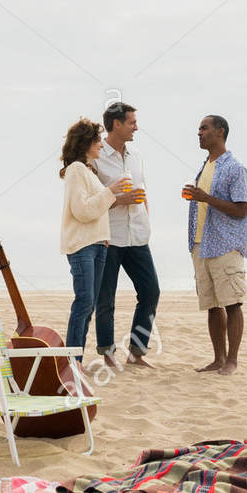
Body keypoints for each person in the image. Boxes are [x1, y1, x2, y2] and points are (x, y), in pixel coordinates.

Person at [59, 117, 138, 365]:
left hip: (96, 245)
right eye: (97, 141)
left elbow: (94, 210)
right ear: (86, 143)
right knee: (83, 304)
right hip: (83, 246)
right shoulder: (76, 171)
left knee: (88, 306)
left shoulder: (88, 171)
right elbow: (81, 210)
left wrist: (104, 237)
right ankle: (73, 363)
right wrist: (111, 191)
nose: (101, 146)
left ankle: (76, 362)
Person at [182, 114, 247, 375]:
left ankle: (232, 360)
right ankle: (218, 359)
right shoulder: (206, 166)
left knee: (232, 302)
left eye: (204, 128)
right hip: (201, 244)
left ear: (220, 132)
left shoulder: (235, 167)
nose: (199, 133)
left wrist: (206, 198)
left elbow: (241, 210)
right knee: (211, 304)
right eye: (199, 128)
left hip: (225, 245)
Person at [93, 102, 159, 369]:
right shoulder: (95, 156)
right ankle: (108, 355)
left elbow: (143, 191)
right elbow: (92, 201)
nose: (136, 127)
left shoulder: (136, 155)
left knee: (151, 291)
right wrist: (121, 199)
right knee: (105, 298)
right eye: (132, 122)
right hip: (109, 237)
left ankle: (136, 353)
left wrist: (146, 217)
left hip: (138, 237)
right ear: (116, 124)